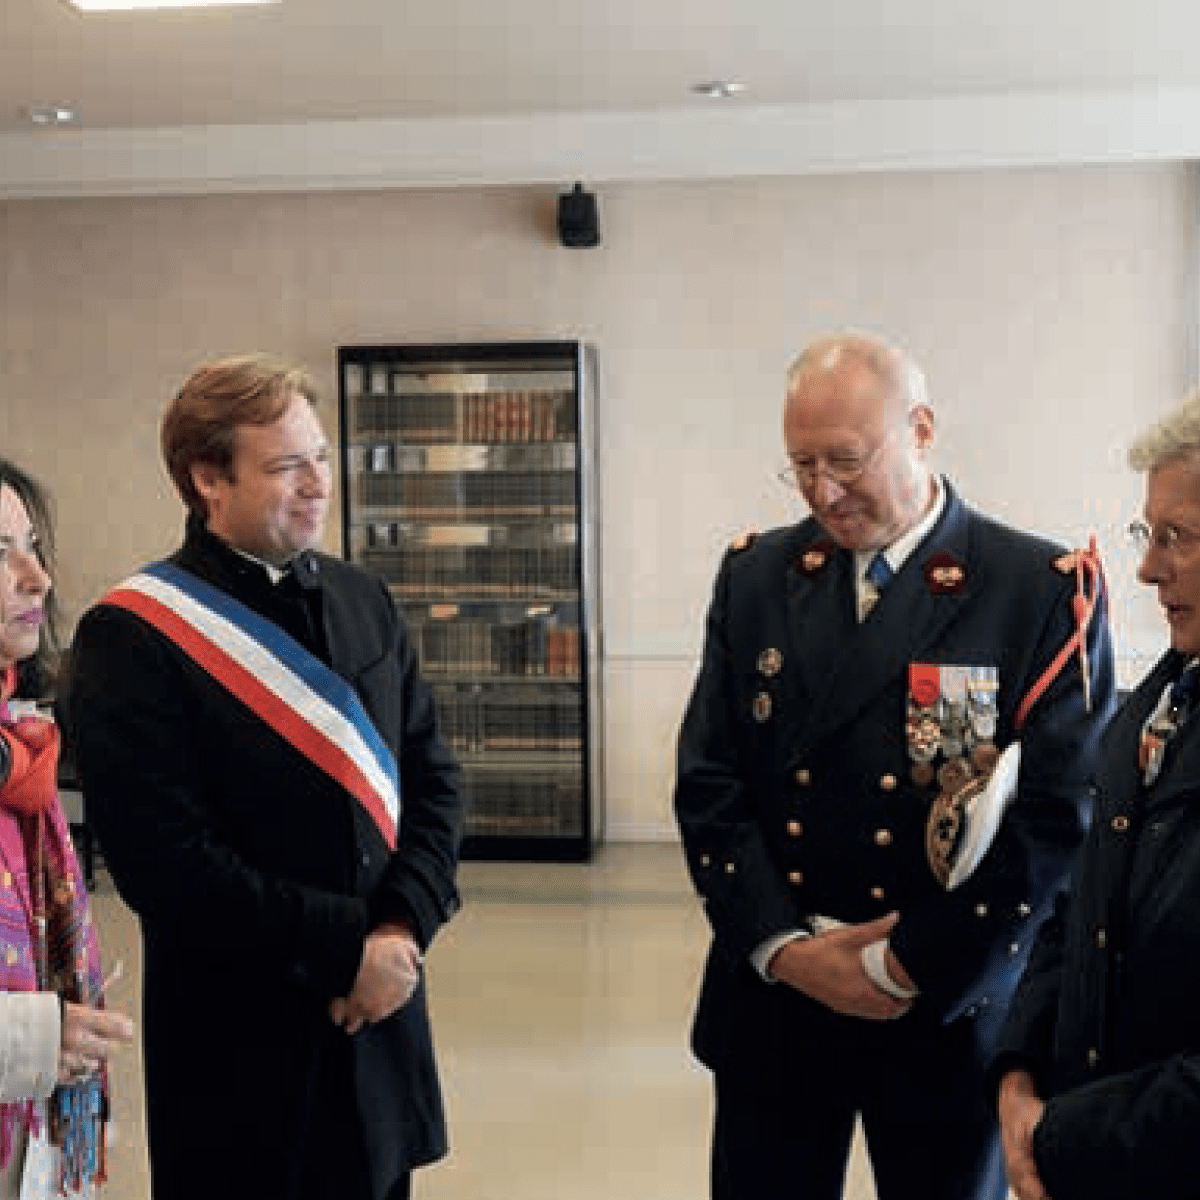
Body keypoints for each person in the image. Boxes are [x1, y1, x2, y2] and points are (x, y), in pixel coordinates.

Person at [673, 332, 1115, 1200]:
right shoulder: (757, 575)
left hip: (943, 1004)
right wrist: (789, 952)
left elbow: (1058, 822)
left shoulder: (1035, 588)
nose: (823, 493)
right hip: (776, 993)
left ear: (921, 429)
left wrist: (899, 964)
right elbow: (710, 784)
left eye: (844, 460)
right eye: (800, 466)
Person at [68, 356, 464, 1200]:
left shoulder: (367, 601)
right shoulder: (132, 637)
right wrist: (342, 951)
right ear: (207, 477)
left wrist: (400, 930)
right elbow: (167, 867)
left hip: (381, 1034)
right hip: (242, 1061)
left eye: (319, 456)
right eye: (286, 465)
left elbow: (434, 782)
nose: (318, 483)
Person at [992, 392, 1200, 1200]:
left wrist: (1058, 1135)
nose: (1147, 568)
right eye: (1148, 535)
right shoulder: (1155, 704)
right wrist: (1016, 1076)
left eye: (1176, 538)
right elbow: (1079, 911)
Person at [0, 458, 133, 1198]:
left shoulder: (20, 744)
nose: (37, 579)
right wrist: (29, 1038)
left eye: (33, 546)